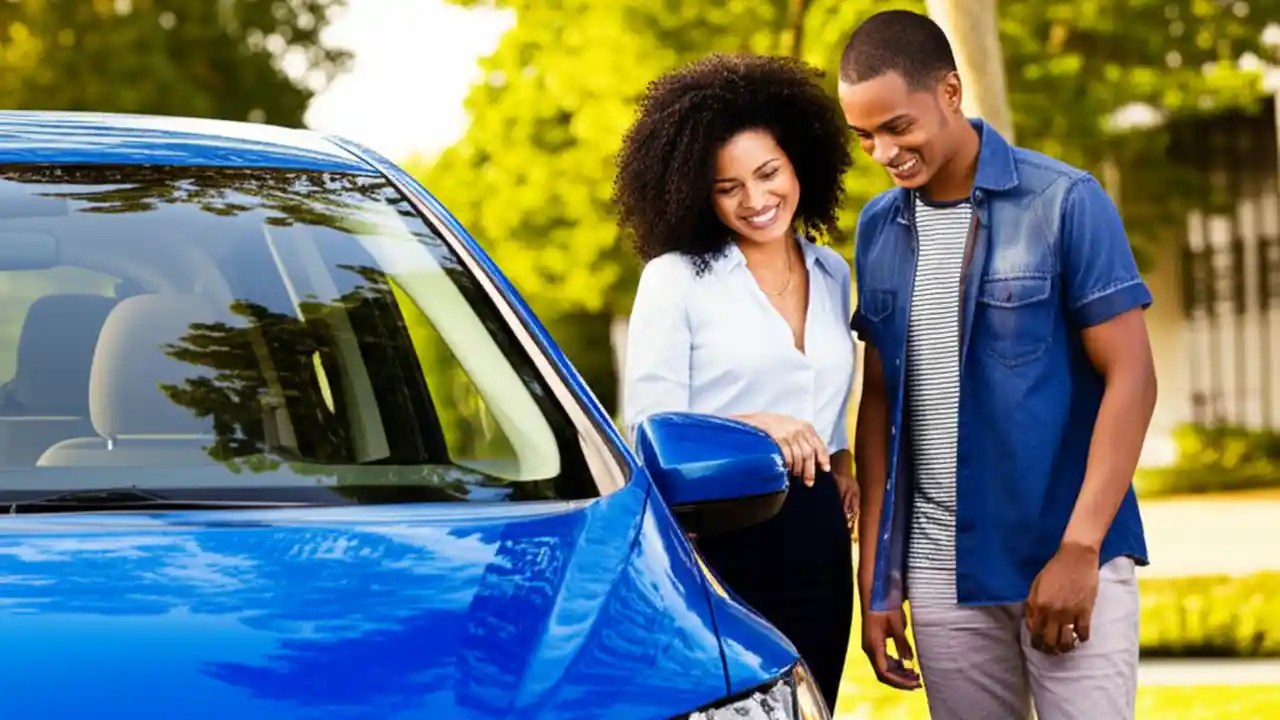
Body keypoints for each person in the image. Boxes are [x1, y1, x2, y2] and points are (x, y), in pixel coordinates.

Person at [836, 10, 1158, 720]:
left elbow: (1132, 377)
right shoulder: (878, 230)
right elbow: (882, 401)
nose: (884, 153)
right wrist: (878, 580)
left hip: (1066, 558)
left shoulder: (1064, 201)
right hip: (943, 573)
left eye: (897, 127)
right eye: (864, 136)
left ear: (950, 92)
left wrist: (1080, 549)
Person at [614, 53, 858, 708]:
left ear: (799, 161)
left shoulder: (833, 273)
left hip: (816, 533)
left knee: (815, 705)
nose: (755, 200)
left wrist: (844, 462)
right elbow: (648, 425)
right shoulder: (675, 279)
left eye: (768, 173)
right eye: (728, 187)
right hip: (721, 534)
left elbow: (827, 408)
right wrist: (758, 426)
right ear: (698, 191)